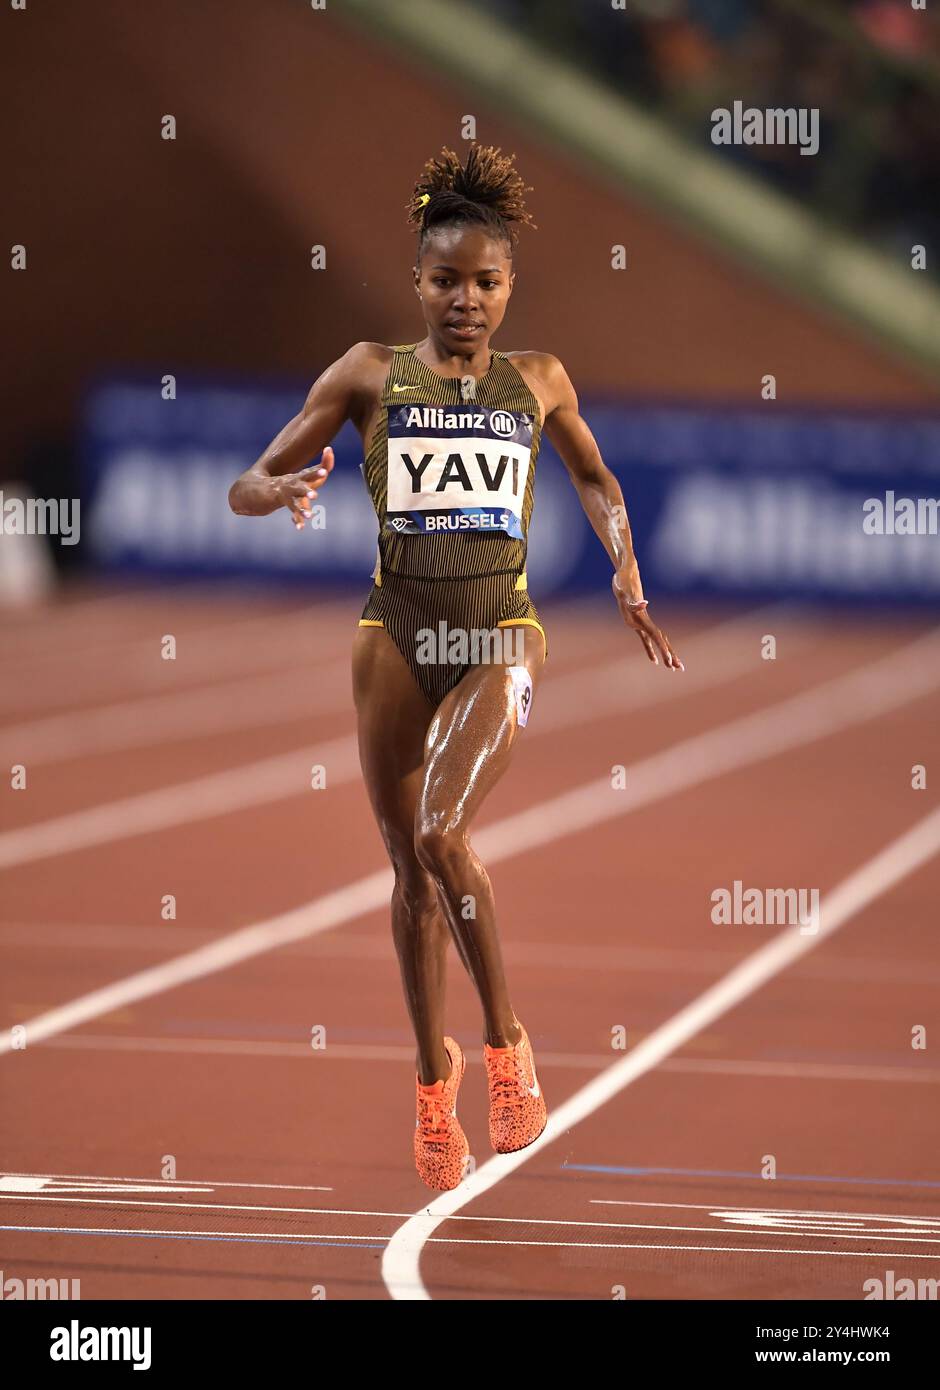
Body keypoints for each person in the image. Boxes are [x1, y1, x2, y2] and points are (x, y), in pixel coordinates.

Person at [229, 144, 683, 1192]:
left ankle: (506, 1047)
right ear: (417, 284)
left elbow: (598, 477)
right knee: (407, 875)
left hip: (497, 633)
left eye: (485, 282)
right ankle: (432, 1090)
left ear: (509, 287)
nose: (465, 300)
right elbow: (247, 481)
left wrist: (624, 564)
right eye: (446, 281)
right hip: (393, 635)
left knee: (442, 832)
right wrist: (283, 491)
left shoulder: (540, 380)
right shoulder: (363, 373)